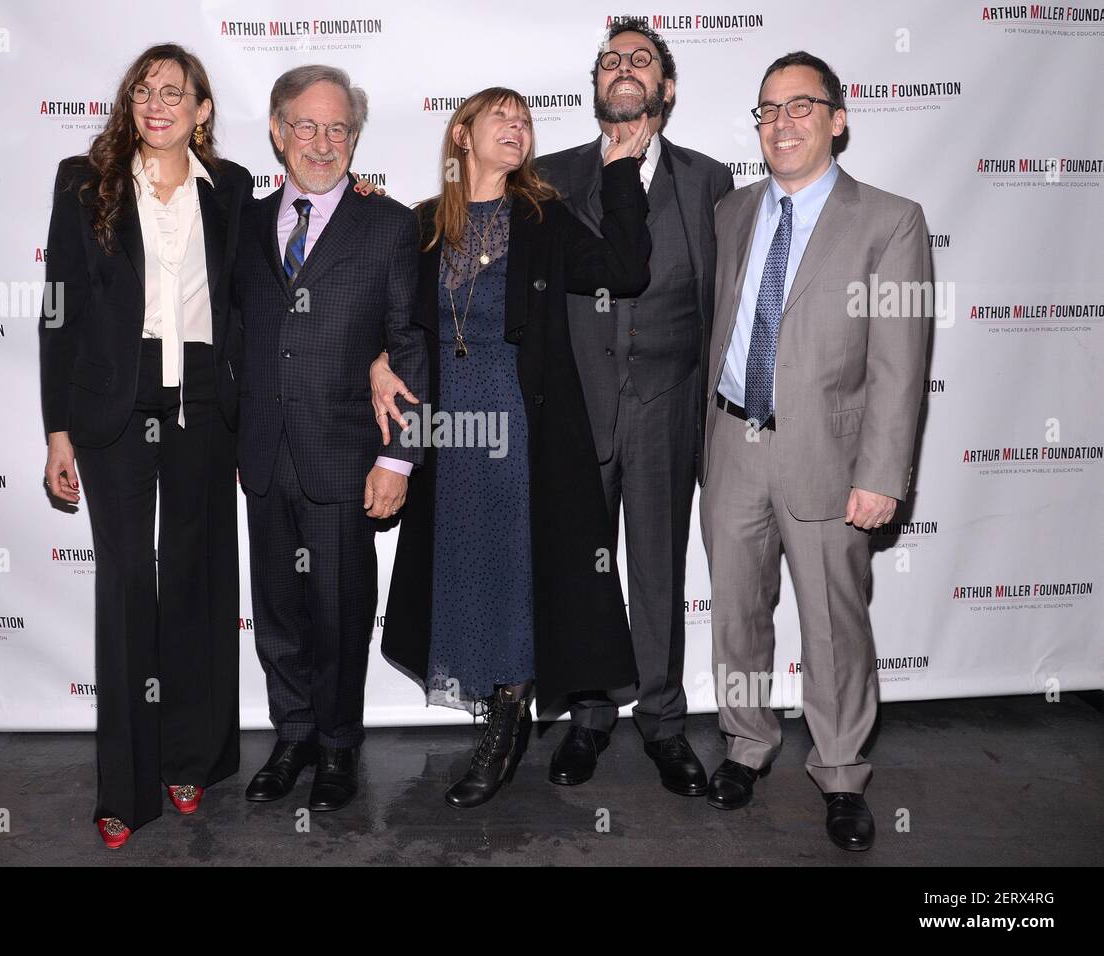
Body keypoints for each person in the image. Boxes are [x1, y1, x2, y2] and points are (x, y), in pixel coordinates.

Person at [372, 87, 650, 808]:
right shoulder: (427, 223)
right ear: (461, 135)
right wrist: (378, 358)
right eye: (502, 116)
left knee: (519, 573)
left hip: (522, 428)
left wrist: (622, 173)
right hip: (449, 432)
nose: (517, 127)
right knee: (464, 570)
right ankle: (500, 705)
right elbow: (391, 312)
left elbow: (625, 272)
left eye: (525, 119)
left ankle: (505, 720)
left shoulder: (542, 217)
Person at [700, 51, 931, 850]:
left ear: (838, 118)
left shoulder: (890, 220)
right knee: (734, 615)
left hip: (831, 462)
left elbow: (902, 365)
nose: (783, 122)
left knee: (834, 623)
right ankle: (745, 742)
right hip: (732, 442)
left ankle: (839, 771)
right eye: (769, 109)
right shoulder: (731, 212)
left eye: (802, 106)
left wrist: (881, 475)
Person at [40, 43, 250, 848]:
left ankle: (190, 757)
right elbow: (58, 307)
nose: (157, 104)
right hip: (113, 409)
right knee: (128, 585)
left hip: (202, 402)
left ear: (201, 111)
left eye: (175, 92)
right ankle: (124, 786)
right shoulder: (82, 181)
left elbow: (257, 287)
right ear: (130, 104)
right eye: (143, 91)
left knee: (195, 581)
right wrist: (57, 427)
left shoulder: (228, 189)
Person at [534, 17, 734, 795]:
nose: (624, 69)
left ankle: (663, 722)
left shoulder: (710, 179)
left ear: (666, 87)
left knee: (657, 571)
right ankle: (588, 719)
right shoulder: (547, 175)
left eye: (640, 60)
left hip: (666, 405)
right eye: (610, 60)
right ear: (595, 85)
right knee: (585, 574)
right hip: (577, 410)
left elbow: (721, 296)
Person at [235, 65, 428, 813]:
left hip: (347, 455)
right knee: (278, 609)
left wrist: (398, 457)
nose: (322, 142)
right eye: (306, 126)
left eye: (338, 128)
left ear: (355, 137)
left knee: (341, 610)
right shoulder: (246, 223)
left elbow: (409, 346)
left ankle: (340, 745)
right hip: (263, 452)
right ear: (279, 132)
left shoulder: (388, 225)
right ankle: (294, 735)